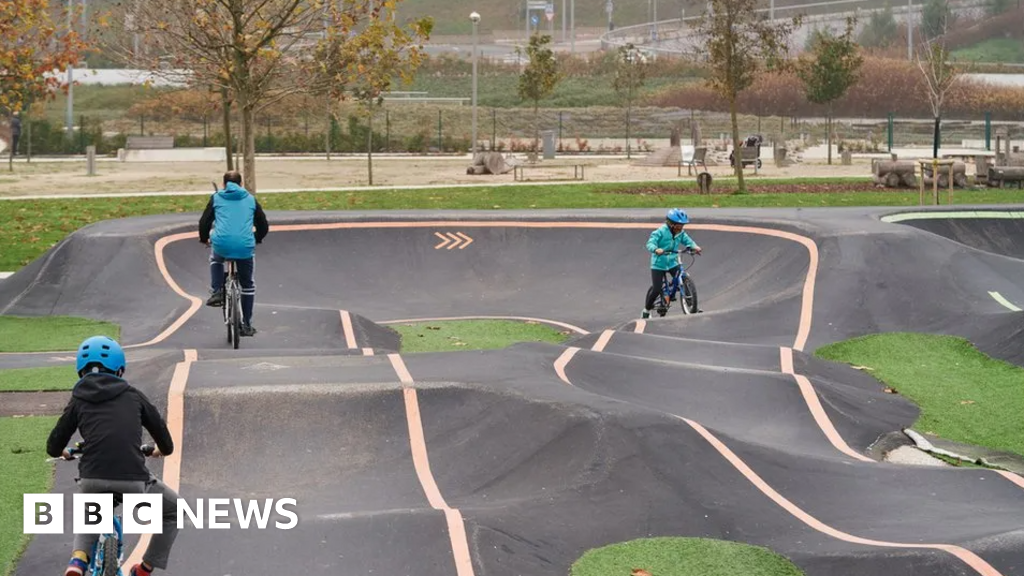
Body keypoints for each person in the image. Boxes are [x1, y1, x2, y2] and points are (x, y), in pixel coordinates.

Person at [47, 336, 179, 576]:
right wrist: (158, 451)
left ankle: (77, 562)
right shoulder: (134, 395)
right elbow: (166, 444)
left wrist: (65, 453)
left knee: (91, 508)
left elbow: (53, 446)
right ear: (119, 369)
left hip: (93, 477)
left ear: (80, 371)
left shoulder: (78, 400)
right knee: (174, 510)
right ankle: (145, 569)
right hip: (134, 482)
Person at [198, 170, 269, 336]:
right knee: (248, 285)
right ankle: (246, 324)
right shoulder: (251, 199)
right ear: (241, 184)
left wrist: (204, 239)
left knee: (216, 258)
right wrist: (256, 238)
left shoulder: (216, 198)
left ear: (224, 184)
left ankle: (217, 291)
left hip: (221, 244)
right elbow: (263, 225)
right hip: (245, 246)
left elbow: (204, 222)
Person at [642, 208, 702, 319]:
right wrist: (656, 249)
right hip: (658, 264)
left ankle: (692, 306)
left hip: (672, 262)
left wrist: (695, 247)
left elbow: (688, 241)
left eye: (682, 225)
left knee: (682, 276)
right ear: (671, 224)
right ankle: (646, 310)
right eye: (679, 225)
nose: (681, 228)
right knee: (656, 288)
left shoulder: (681, 233)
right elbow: (650, 243)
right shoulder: (660, 232)